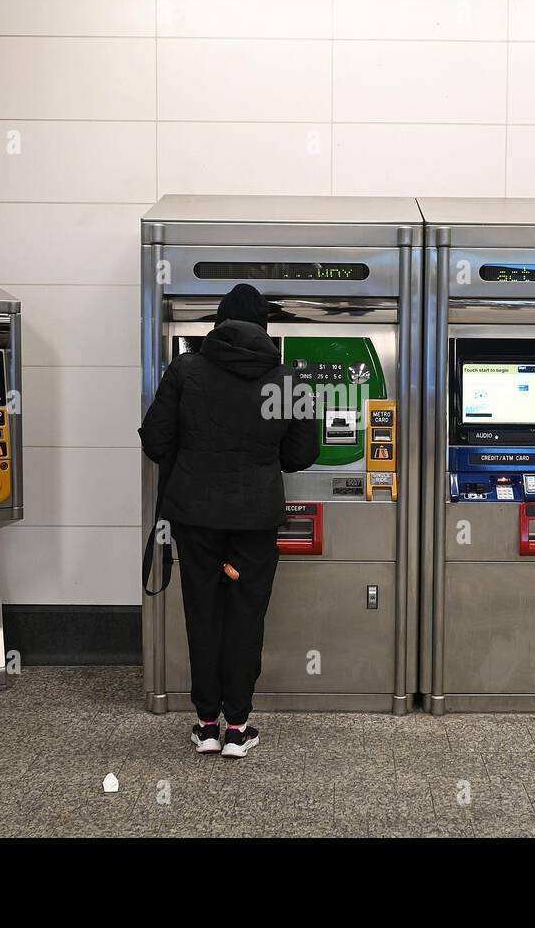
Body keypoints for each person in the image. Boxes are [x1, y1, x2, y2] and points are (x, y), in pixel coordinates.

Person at [139, 284, 319, 758]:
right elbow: (303, 453)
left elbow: (155, 442)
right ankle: (238, 726)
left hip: (196, 519)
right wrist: (259, 459)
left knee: (203, 613)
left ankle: (205, 725)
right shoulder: (286, 380)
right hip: (255, 519)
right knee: (245, 615)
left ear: (217, 324)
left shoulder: (185, 370)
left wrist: (196, 454)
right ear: (264, 326)